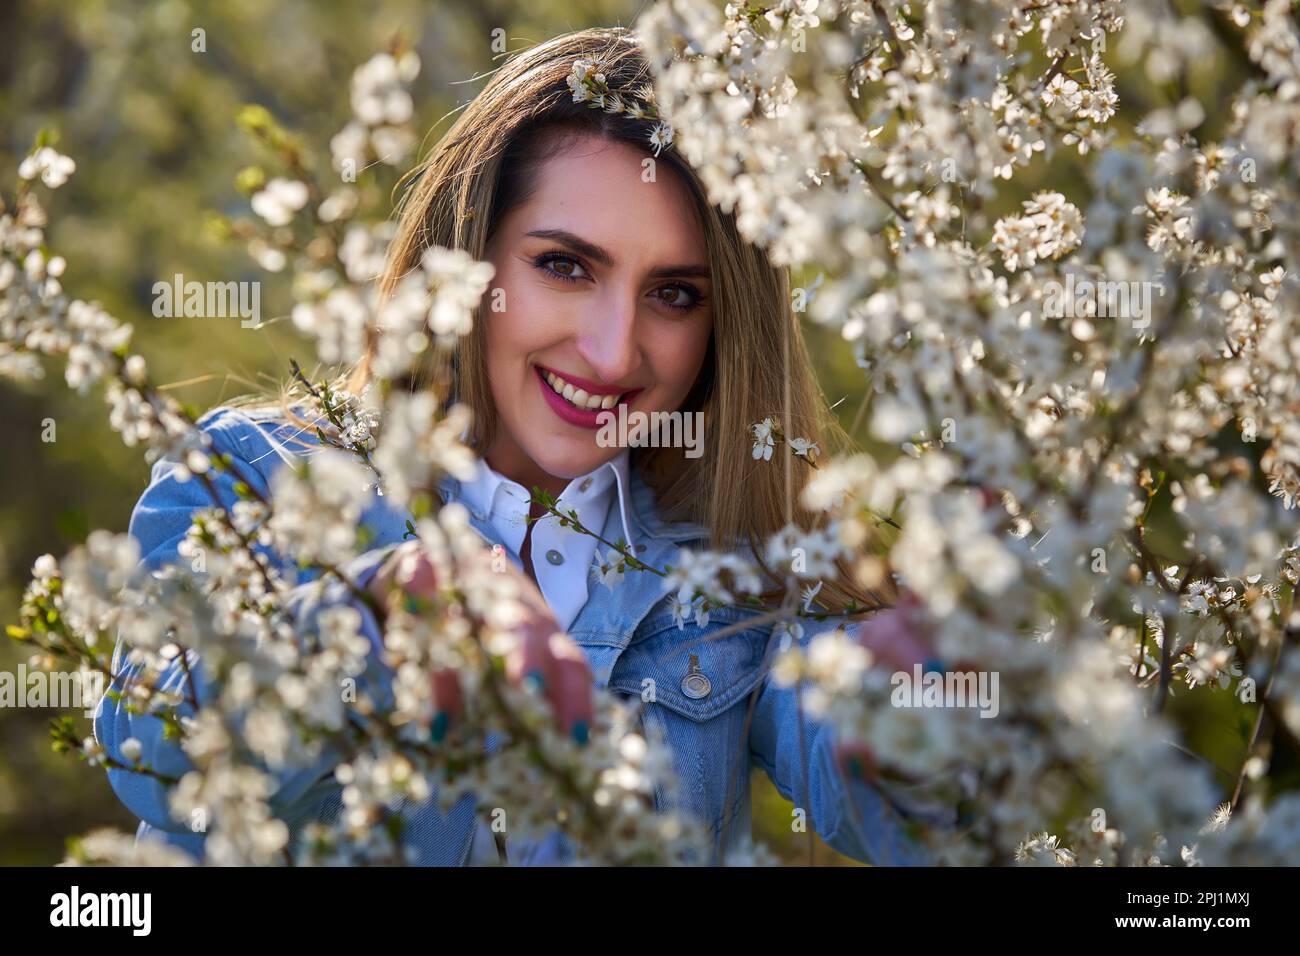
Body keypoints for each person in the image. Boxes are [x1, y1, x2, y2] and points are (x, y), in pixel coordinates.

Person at [96, 26, 951, 866]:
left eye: (676, 294)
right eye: (566, 267)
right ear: (469, 257)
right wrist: (383, 607)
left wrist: (929, 698)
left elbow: (914, 817)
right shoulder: (256, 476)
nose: (616, 352)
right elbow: (160, 749)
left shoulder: (727, 566)